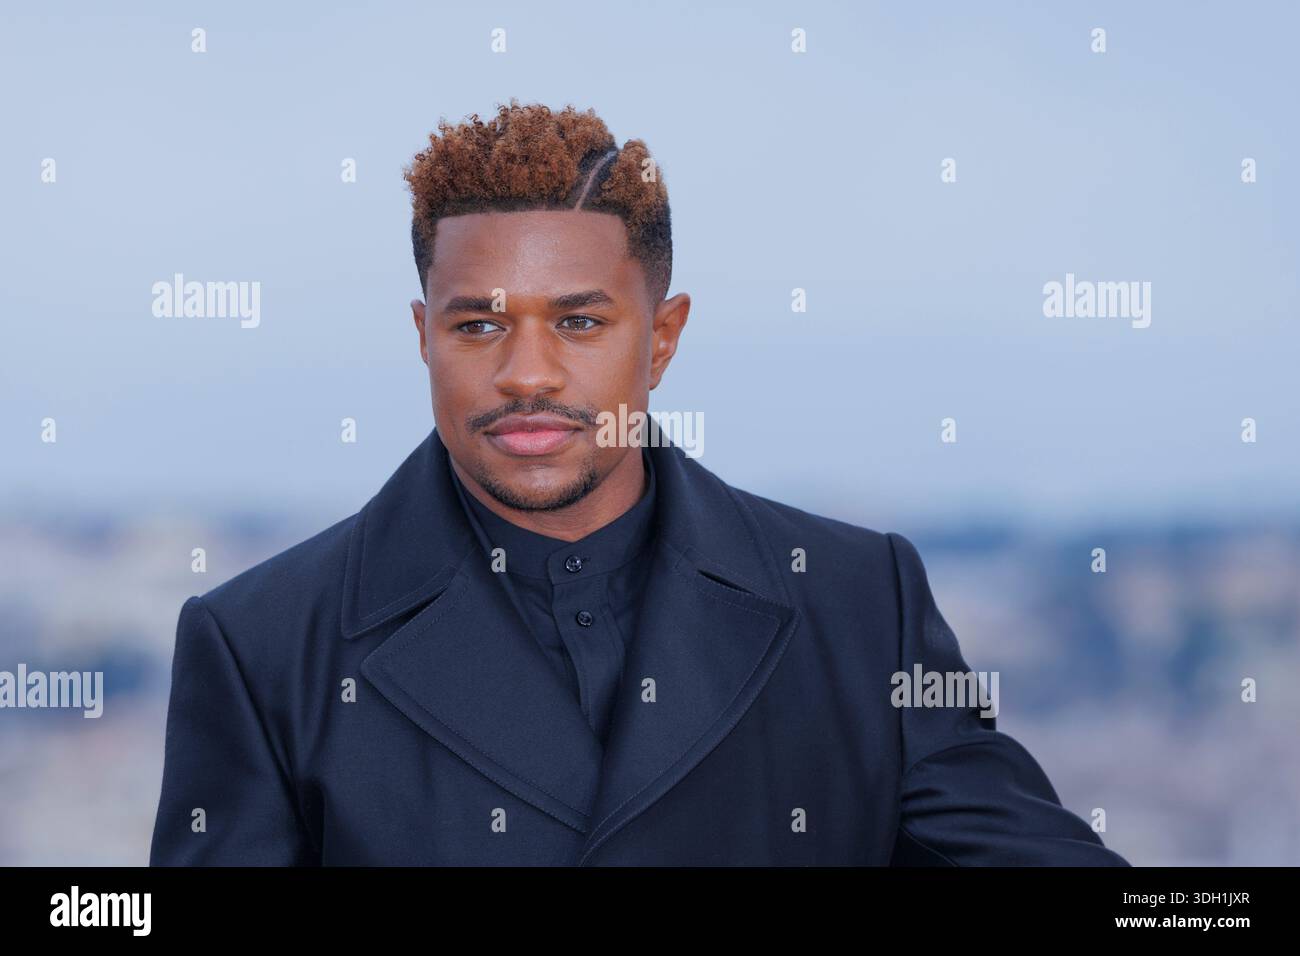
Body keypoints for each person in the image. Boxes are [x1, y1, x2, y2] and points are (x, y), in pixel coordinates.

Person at [148, 100, 1129, 866]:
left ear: (662, 337)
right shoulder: (261, 646)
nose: (527, 374)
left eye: (578, 322)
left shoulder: (862, 601)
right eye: (478, 324)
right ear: (423, 337)